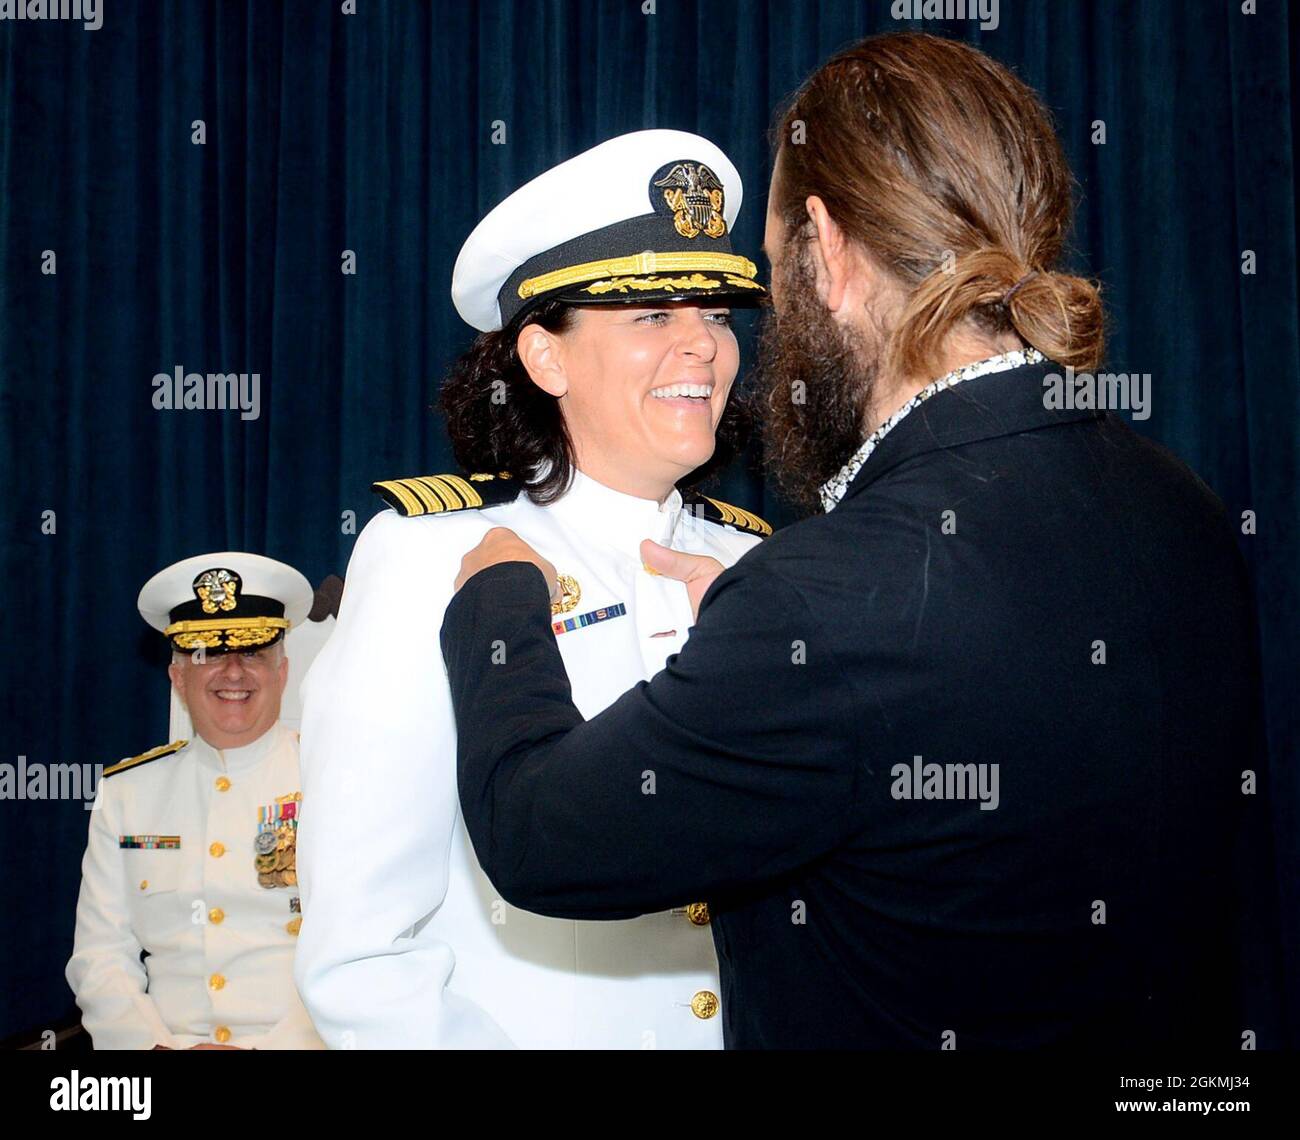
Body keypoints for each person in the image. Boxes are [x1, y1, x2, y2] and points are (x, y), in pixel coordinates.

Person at [439, 33, 1260, 1049]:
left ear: (825, 251)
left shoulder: (832, 595)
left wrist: (497, 605)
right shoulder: (1177, 506)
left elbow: (537, 839)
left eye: (769, 274)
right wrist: (761, 656)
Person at [294, 129, 770, 1049]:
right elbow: (362, 954)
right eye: (650, 317)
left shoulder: (757, 565)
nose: (702, 348)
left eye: (714, 314)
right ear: (545, 360)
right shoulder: (433, 556)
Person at [67, 553, 324, 1049]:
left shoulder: (333, 783)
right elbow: (100, 956)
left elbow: (354, 951)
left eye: (252, 652)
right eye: (206, 654)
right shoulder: (126, 794)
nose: (232, 672)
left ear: (283, 671)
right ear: (178, 677)